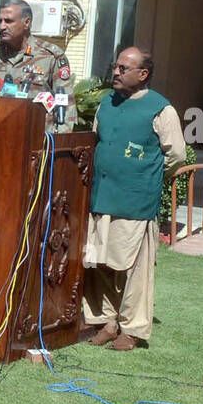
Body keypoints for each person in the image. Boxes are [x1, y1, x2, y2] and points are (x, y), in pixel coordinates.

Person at [82, 47, 186, 351]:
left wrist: (145, 177)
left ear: (143, 75)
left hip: (136, 203)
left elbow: (176, 155)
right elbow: (97, 139)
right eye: (115, 66)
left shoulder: (161, 109)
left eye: (124, 68)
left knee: (134, 269)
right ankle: (106, 321)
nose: (116, 72)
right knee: (99, 263)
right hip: (102, 198)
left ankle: (132, 329)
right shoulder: (106, 103)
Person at [0, 0, 76, 131]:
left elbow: (65, 105)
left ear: (27, 22)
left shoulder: (50, 56)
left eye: (8, 21)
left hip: (35, 138)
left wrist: (56, 144)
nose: (1, 26)